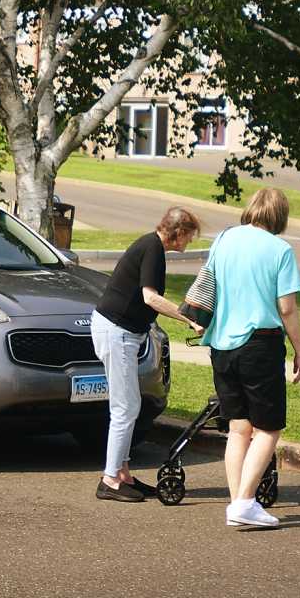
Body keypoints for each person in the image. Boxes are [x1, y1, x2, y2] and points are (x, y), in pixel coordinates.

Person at [203, 187, 300, 529]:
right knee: (268, 429)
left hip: (221, 344)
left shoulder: (224, 239)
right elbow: (287, 308)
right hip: (259, 345)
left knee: (238, 429)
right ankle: (245, 502)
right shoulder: (280, 249)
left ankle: (238, 503)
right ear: (280, 216)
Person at [90, 206, 203, 502]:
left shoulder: (152, 247)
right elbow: (150, 297)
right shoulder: (152, 247)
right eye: (189, 236)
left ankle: (123, 474)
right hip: (116, 331)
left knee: (130, 405)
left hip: (120, 331)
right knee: (125, 407)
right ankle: (110, 480)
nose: (190, 241)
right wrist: (189, 319)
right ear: (178, 232)